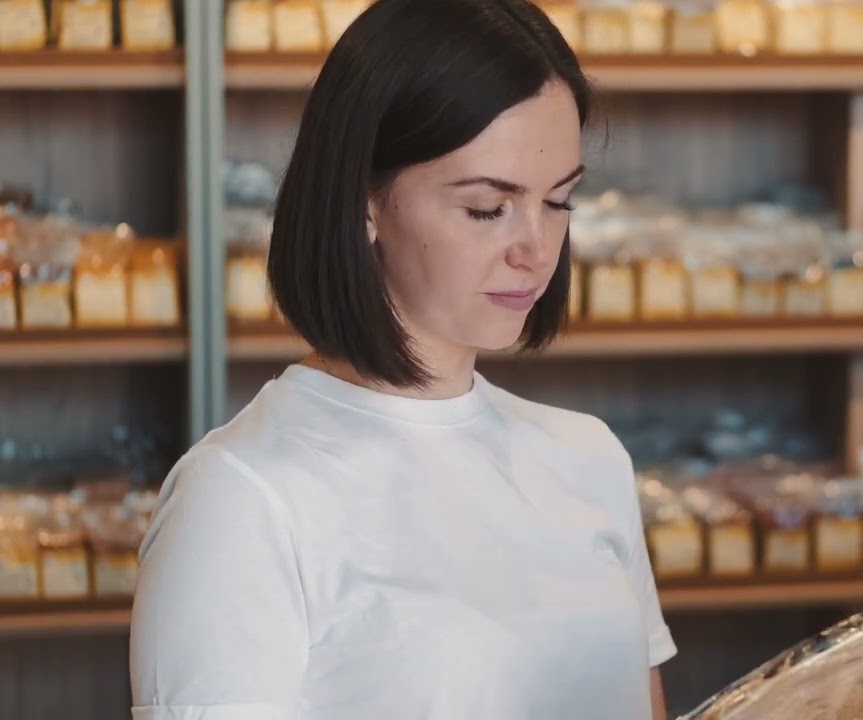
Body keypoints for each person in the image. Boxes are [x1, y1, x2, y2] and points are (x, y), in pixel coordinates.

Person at [128, 0, 676, 717]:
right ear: (365, 203)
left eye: (559, 202)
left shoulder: (589, 457)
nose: (536, 250)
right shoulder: (240, 500)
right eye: (488, 207)